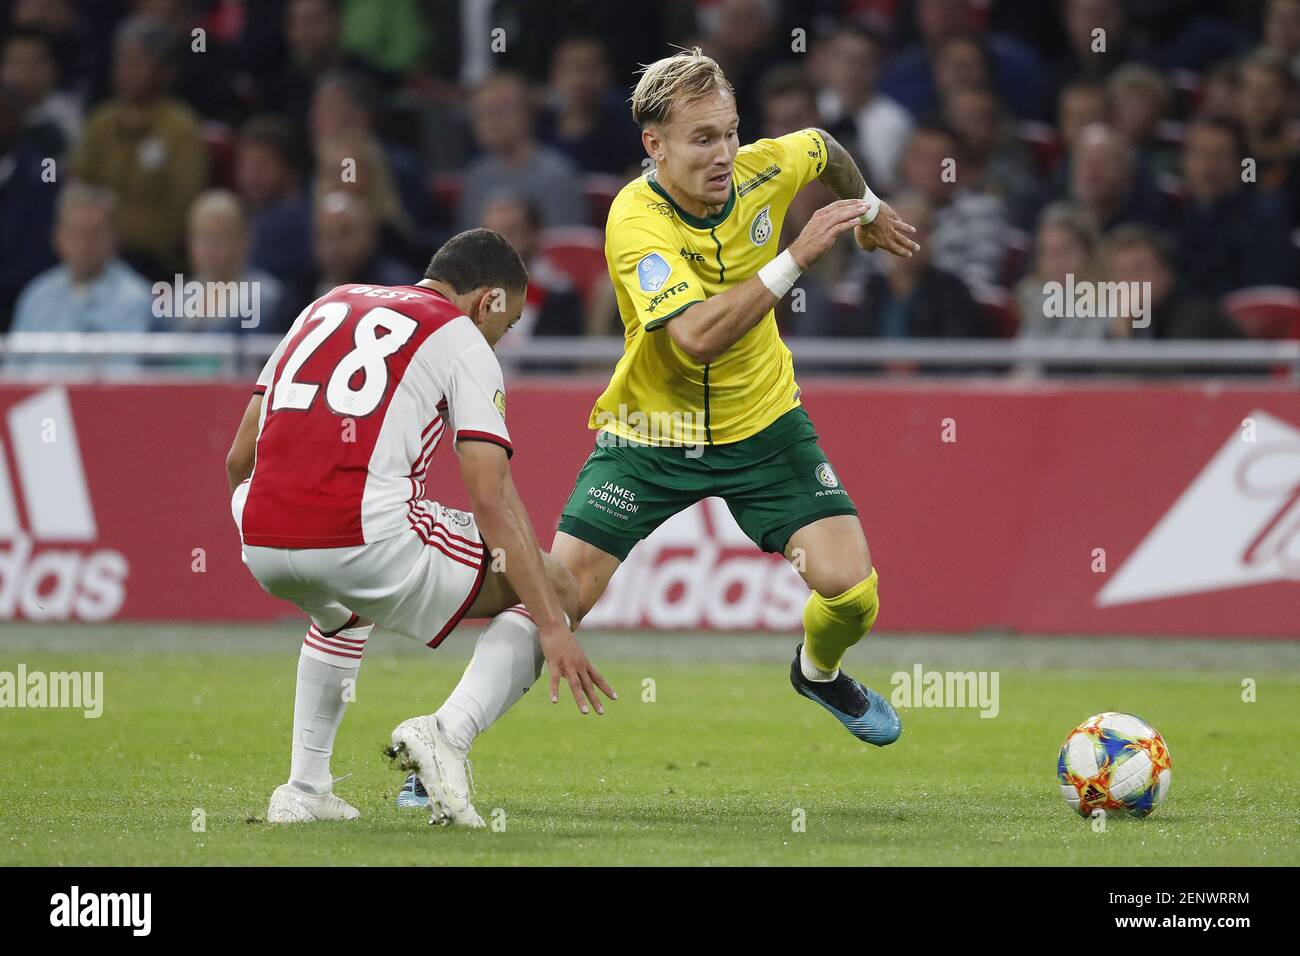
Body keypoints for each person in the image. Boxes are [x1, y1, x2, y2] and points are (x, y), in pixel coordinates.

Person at [225, 228, 613, 826]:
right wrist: (553, 624)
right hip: (365, 537)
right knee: (557, 585)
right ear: (489, 301)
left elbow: (239, 456)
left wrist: (270, 526)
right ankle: (445, 736)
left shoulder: (325, 304)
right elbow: (490, 495)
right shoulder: (461, 339)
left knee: (339, 610)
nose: (499, 341)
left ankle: (303, 789)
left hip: (260, 534)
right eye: (504, 327)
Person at [8, 182, 152, 368]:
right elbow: (13, 372)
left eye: (95, 234)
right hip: (39, 396)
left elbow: (125, 376)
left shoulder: (136, 299)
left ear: (115, 238)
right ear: (58, 237)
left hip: (99, 396)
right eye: (76, 233)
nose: (85, 244)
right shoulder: (36, 295)